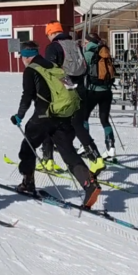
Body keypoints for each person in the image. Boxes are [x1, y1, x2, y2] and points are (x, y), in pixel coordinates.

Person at [12, 41, 101, 208]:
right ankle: (89, 184)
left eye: (21, 56)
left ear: (26, 56)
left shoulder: (31, 70)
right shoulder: (54, 66)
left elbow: (27, 95)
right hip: (63, 115)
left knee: (28, 147)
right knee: (68, 152)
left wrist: (19, 115)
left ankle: (28, 182)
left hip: (43, 116)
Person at [41, 21, 104, 174]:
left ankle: (48, 161)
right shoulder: (76, 46)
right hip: (80, 90)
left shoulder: (53, 47)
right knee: (77, 125)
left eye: (48, 34)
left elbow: (50, 72)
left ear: (51, 33)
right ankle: (96, 158)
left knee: (47, 122)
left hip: (62, 93)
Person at [83, 33, 116, 159]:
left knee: (84, 118)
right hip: (107, 91)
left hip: (93, 91)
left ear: (89, 41)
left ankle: (86, 147)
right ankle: (110, 147)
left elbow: (80, 70)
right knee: (104, 120)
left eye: (85, 41)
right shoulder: (104, 52)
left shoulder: (88, 53)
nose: (84, 43)